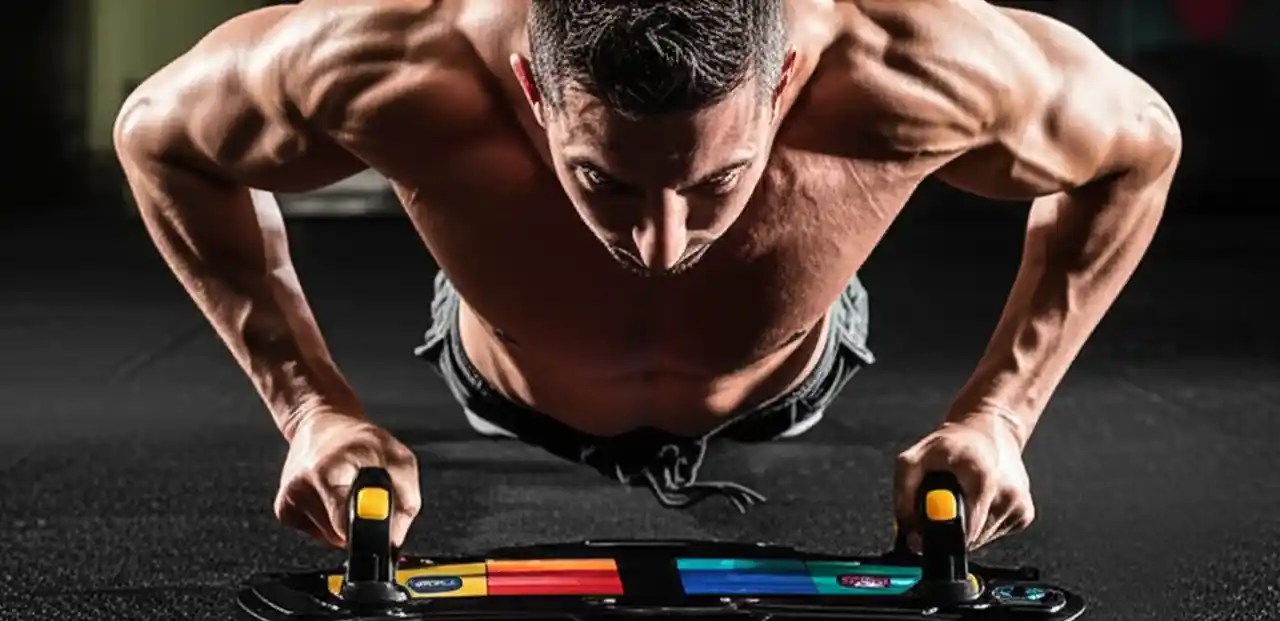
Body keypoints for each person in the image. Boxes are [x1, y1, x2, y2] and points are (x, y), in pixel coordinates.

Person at [114, 0, 1181, 553]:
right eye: (605, 183)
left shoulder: (916, 62)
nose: (662, 246)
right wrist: (312, 411)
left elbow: (1138, 144)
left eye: (717, 185)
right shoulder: (392, 57)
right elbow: (160, 135)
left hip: (790, 372)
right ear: (534, 88)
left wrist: (999, 416)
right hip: (497, 374)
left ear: (789, 82)